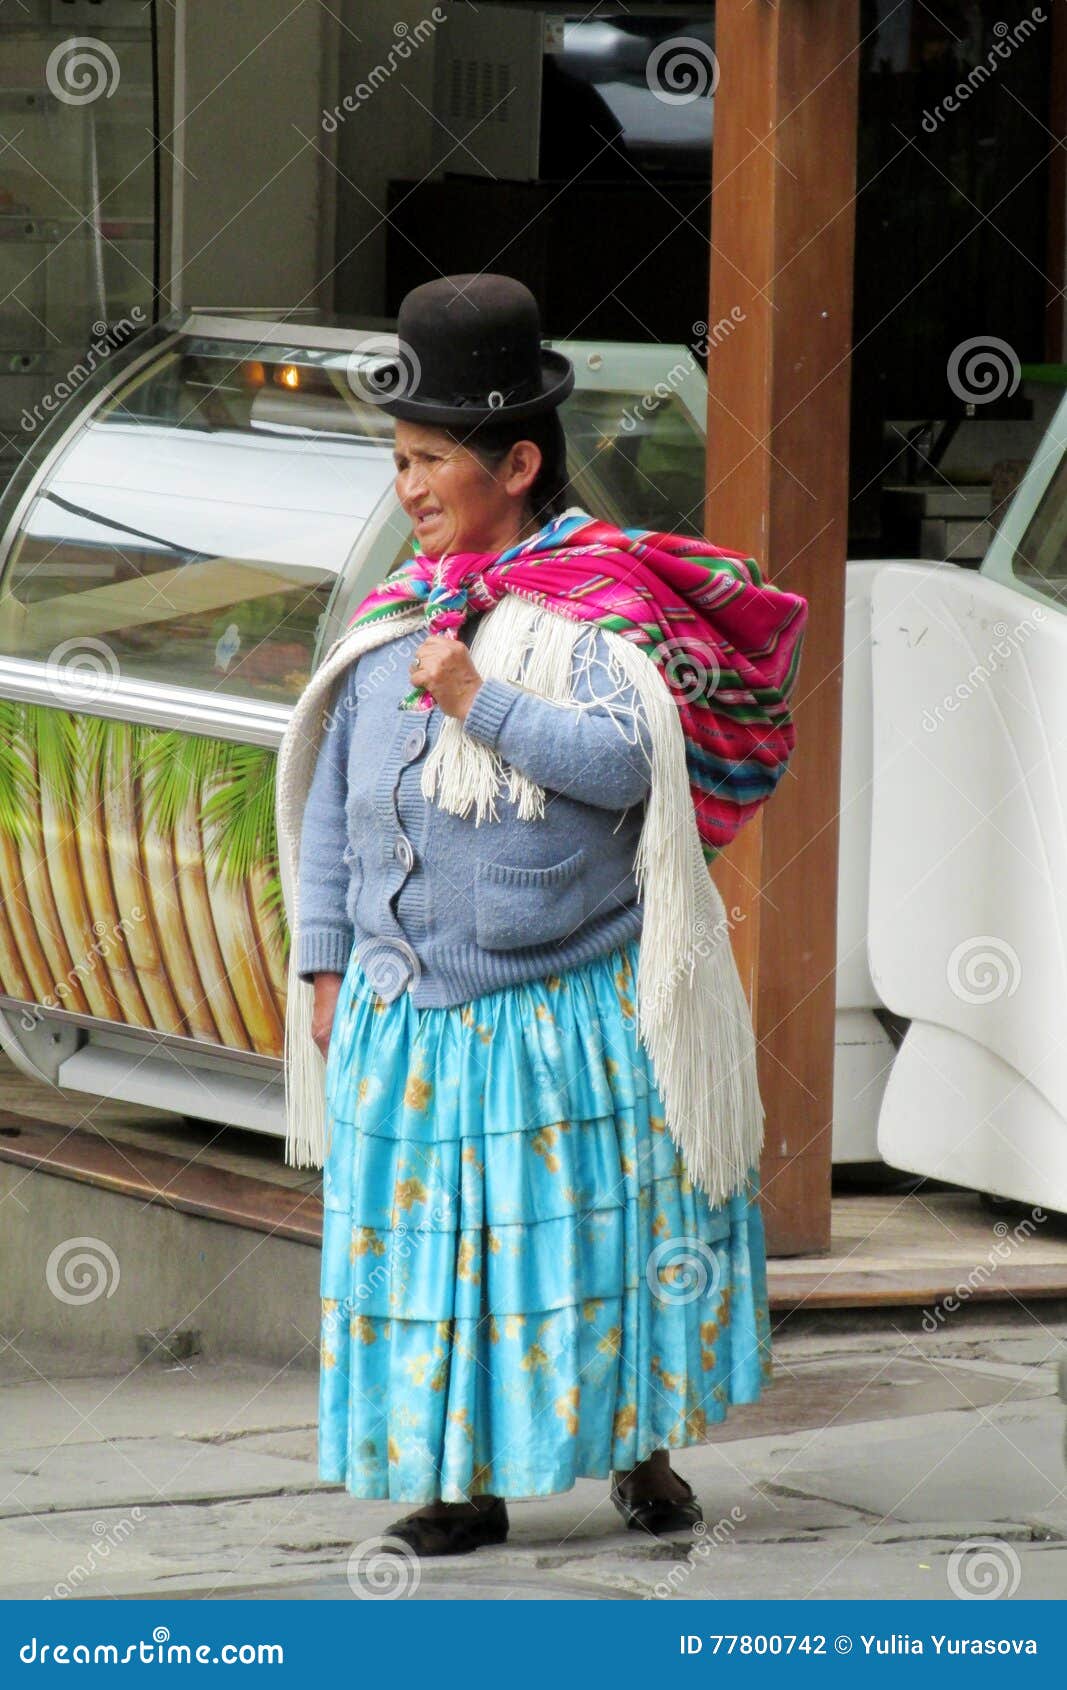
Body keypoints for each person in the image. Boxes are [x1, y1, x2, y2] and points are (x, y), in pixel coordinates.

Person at [274, 273, 808, 1557]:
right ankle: (458, 1482)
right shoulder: (398, 611)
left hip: (562, 998)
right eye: (397, 460)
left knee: (595, 1244)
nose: (407, 487)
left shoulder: (590, 607)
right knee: (434, 1262)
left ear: (516, 462)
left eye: (430, 460)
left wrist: (478, 700)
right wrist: (327, 959)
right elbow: (340, 801)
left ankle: (640, 1448)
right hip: (413, 1011)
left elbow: (632, 767)